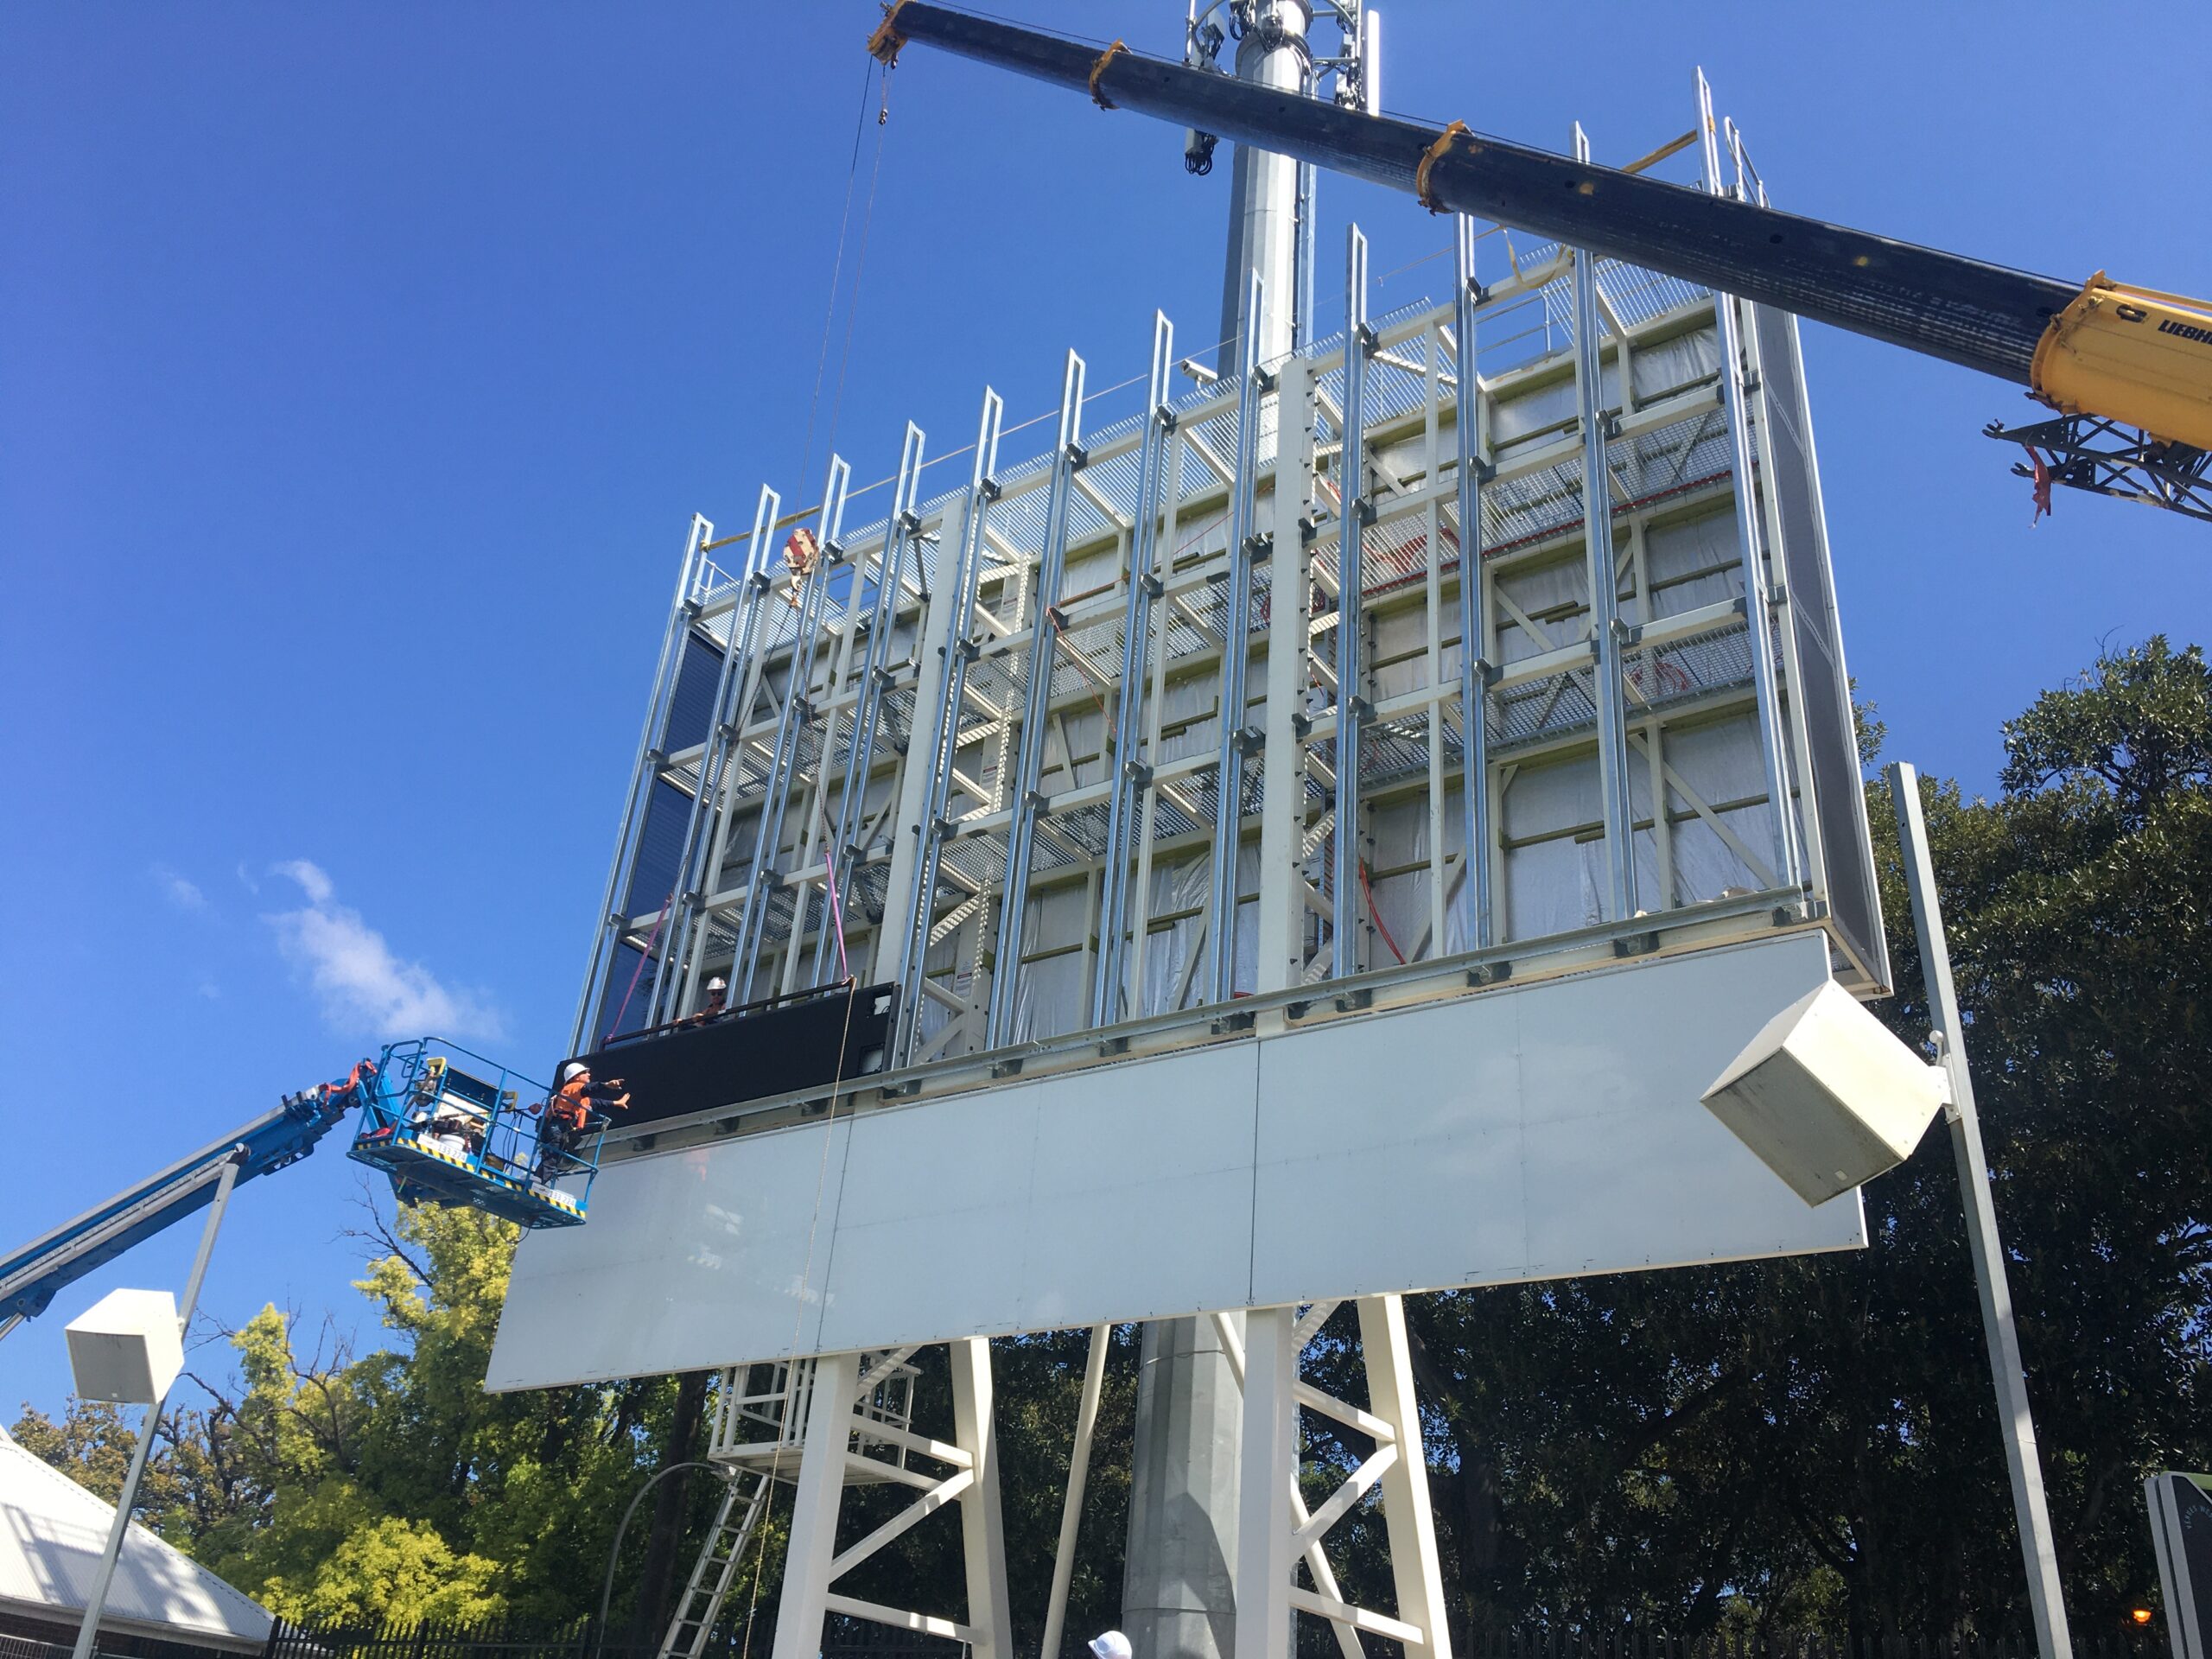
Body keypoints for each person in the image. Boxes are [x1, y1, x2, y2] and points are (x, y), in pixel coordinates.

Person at [534, 1061, 629, 1178]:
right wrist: (606, 1085)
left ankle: (540, 1179)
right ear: (576, 1077)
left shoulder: (579, 1096)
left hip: (560, 1128)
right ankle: (539, 1181)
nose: (589, 1075)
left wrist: (616, 1103)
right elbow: (589, 1088)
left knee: (553, 1156)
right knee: (552, 1156)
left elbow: (597, 1103)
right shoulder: (574, 1087)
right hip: (557, 1127)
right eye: (585, 1072)